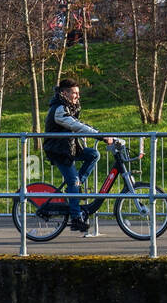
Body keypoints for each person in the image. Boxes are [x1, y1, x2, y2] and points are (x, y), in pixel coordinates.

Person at [42, 79, 114, 232]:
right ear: (64, 93)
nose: (77, 96)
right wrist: (100, 136)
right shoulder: (59, 109)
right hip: (59, 150)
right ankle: (76, 217)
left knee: (93, 154)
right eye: (74, 93)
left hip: (68, 148)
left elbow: (77, 125)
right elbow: (76, 126)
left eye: (78, 93)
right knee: (73, 182)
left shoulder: (67, 107)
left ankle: (75, 187)